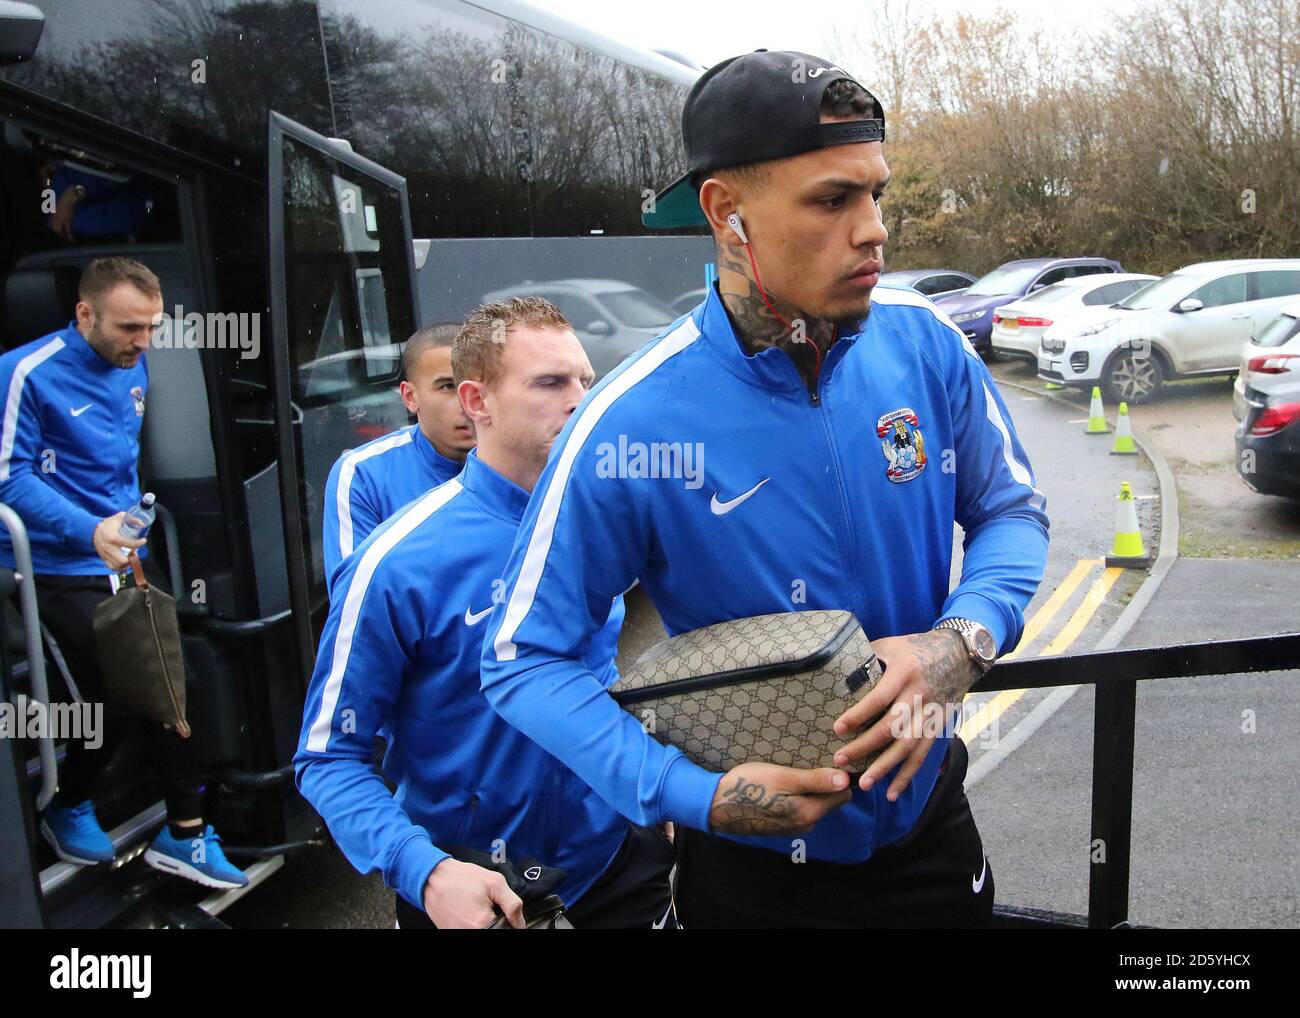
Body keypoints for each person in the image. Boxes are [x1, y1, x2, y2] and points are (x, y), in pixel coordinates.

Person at [479, 51, 1050, 928]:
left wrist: (961, 641)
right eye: (832, 200)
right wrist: (687, 794)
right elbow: (523, 659)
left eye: (876, 194)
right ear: (726, 211)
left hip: (931, 826)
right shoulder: (631, 421)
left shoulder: (926, 343)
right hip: (754, 873)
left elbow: (1010, 510)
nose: (874, 231)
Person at [295, 298, 676, 929]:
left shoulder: (605, 525)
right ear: (478, 402)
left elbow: (610, 681)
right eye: (550, 383)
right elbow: (327, 756)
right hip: (471, 891)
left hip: (615, 866)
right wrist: (426, 871)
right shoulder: (395, 563)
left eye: (586, 380)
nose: (581, 401)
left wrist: (655, 781)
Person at [0, 256, 247, 889]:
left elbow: (115, 461)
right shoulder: (24, 371)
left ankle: (186, 832)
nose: (143, 343)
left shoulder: (131, 362)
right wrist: (88, 530)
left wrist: (128, 528)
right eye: (129, 328)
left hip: (126, 554)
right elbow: (8, 476)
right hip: (55, 564)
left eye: (151, 328)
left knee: (177, 680)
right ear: (84, 314)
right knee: (112, 694)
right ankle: (67, 803)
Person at [321, 323, 475, 588]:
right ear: (409, 397)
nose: (467, 403)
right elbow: (356, 598)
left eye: (474, 385)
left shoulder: (525, 463)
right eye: (448, 386)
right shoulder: (362, 474)